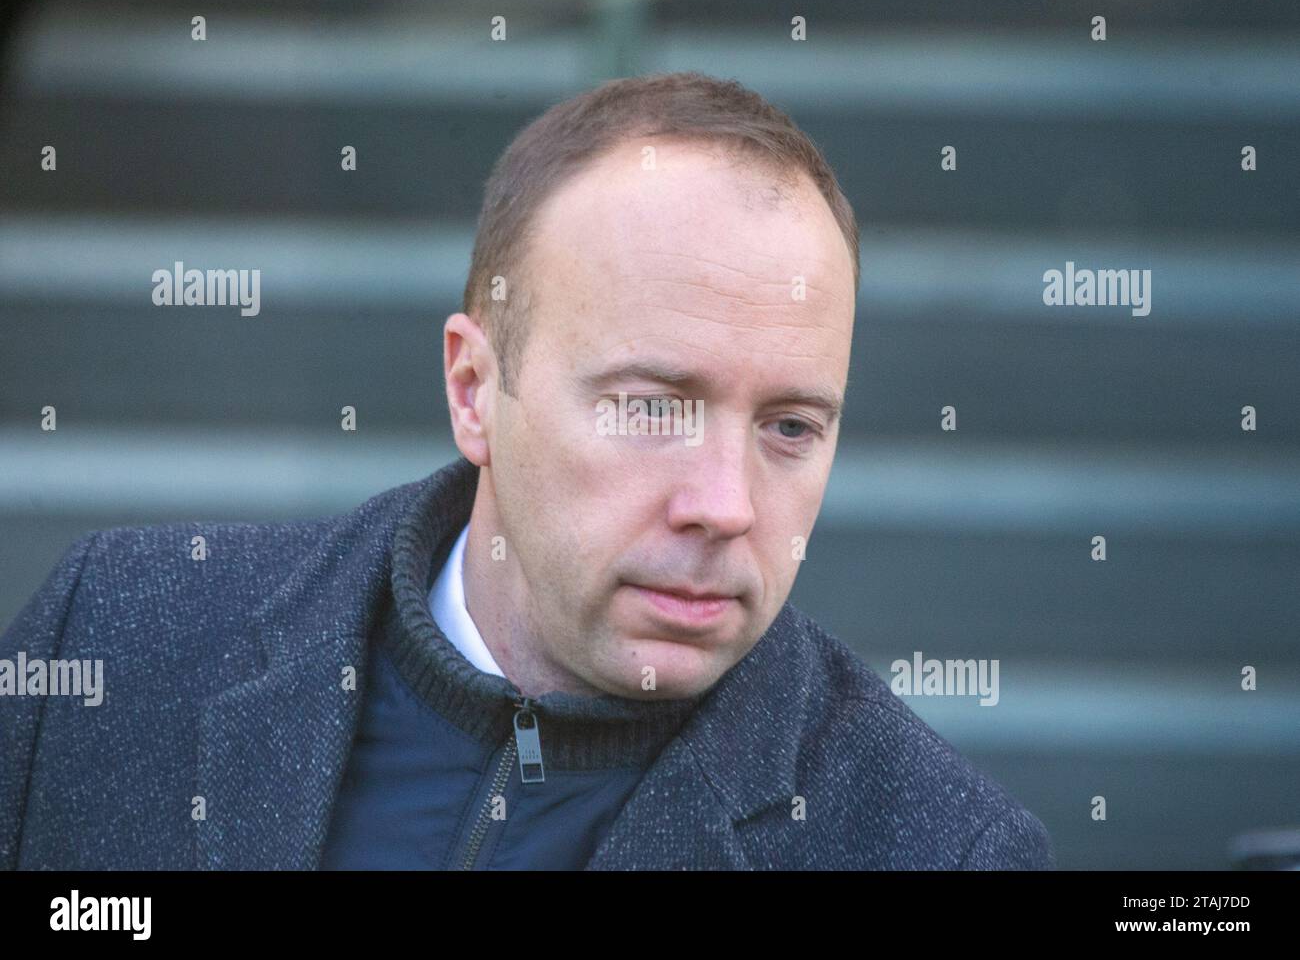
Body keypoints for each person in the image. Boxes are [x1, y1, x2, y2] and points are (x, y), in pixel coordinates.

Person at [0, 71, 1053, 870]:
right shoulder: (111, 643)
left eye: (788, 427)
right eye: (652, 406)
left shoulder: (934, 846)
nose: (725, 507)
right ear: (473, 388)